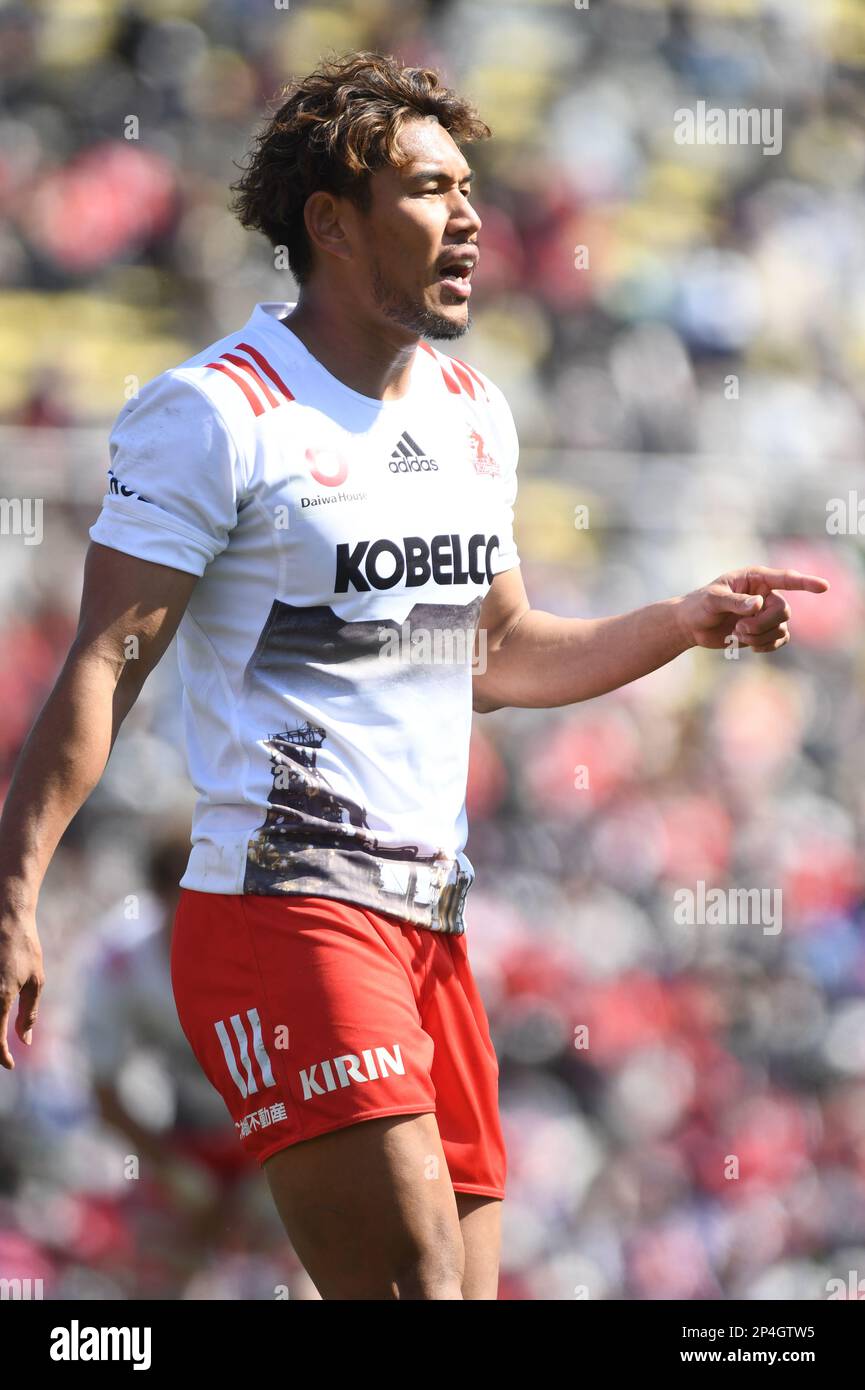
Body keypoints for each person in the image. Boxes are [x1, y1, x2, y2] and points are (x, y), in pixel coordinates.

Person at [0, 50, 828, 1301]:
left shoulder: (471, 413)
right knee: (417, 1290)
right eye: (429, 189)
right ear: (330, 223)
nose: (470, 216)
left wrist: (679, 620)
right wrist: (14, 891)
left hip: (430, 919)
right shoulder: (217, 411)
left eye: (470, 188)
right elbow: (107, 660)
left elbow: (492, 652)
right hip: (284, 905)